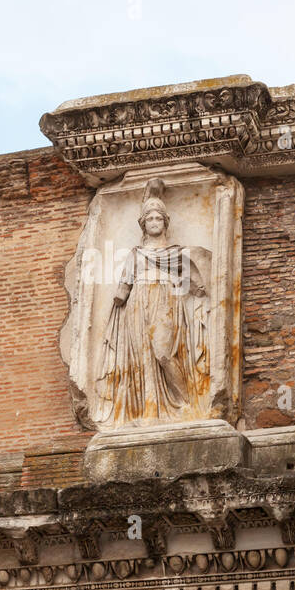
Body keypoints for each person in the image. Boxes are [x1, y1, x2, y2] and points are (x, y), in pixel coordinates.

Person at [96, 178, 210, 427]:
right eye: (150, 219)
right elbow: (122, 292)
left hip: (166, 302)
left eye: (158, 218)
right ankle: (148, 410)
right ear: (143, 225)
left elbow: (197, 283)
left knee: (162, 353)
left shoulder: (177, 253)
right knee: (142, 358)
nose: (154, 222)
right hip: (137, 307)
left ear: (166, 222)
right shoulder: (135, 254)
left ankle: (184, 404)